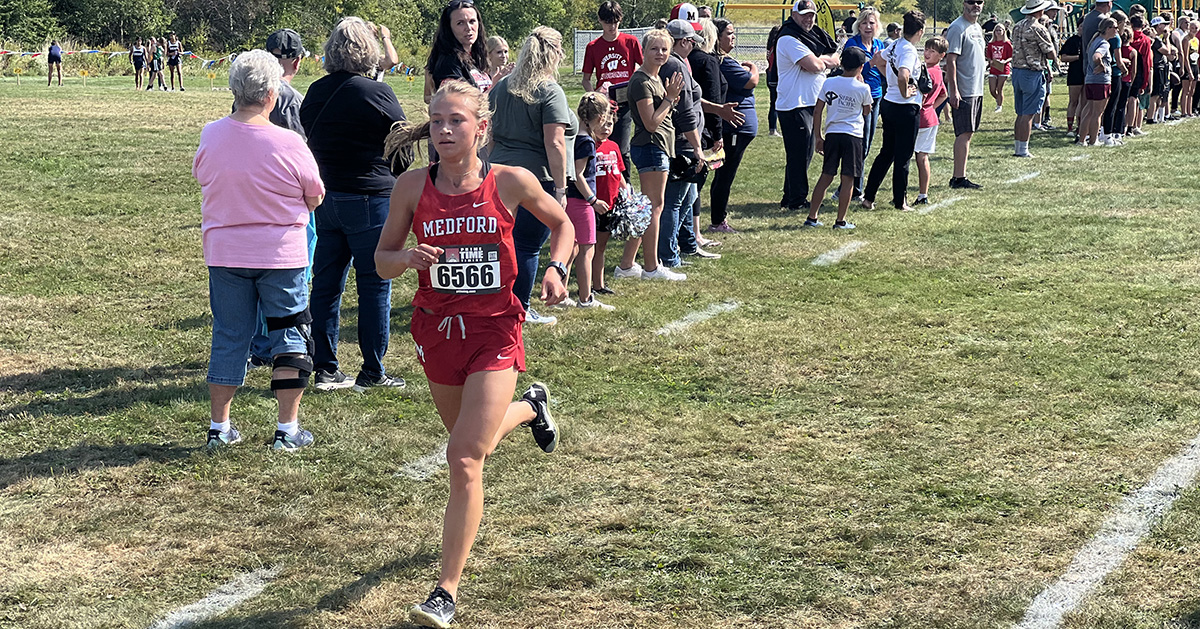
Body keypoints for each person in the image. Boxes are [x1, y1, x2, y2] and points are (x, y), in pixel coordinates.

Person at [374, 79, 572, 629]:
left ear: (481, 128)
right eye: (436, 120)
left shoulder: (509, 180)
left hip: (494, 331)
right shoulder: (412, 186)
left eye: (455, 120)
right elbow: (381, 261)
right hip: (438, 332)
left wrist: (557, 268)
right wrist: (407, 259)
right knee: (472, 442)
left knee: (463, 457)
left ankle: (445, 592)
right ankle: (531, 407)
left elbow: (562, 223)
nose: (443, 130)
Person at [192, 50, 325, 453]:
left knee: (229, 336)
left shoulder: (211, 134)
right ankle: (287, 428)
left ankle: (219, 427)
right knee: (290, 334)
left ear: (234, 90)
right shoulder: (290, 142)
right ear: (272, 94)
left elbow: (202, 175)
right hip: (281, 256)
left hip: (226, 253)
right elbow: (315, 194)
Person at [300, 16, 411, 392]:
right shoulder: (377, 92)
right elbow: (402, 147)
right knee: (375, 284)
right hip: (369, 195)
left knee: (325, 285)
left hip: (326, 197)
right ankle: (373, 370)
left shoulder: (315, 91)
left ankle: (325, 366)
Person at [489, 26, 581, 320]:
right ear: (554, 55)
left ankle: (498, 304)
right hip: (535, 178)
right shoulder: (549, 91)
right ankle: (520, 308)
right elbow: (554, 142)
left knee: (502, 244)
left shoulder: (502, 87)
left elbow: (489, 136)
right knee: (527, 246)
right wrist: (561, 189)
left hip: (497, 174)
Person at [242, 28, 316, 368]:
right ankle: (280, 342)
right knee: (292, 274)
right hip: (288, 200)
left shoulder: (245, 95)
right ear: (297, 62)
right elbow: (301, 153)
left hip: (251, 193)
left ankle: (258, 341)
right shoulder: (293, 99)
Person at [619, 28, 685, 281]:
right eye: (654, 48)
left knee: (647, 208)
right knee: (654, 207)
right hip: (650, 146)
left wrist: (669, 99)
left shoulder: (655, 78)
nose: (660, 53)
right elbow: (650, 123)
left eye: (664, 49)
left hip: (659, 147)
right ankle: (651, 267)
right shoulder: (641, 81)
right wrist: (669, 100)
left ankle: (627, 264)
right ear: (643, 51)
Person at [657, 20, 713, 269]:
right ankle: (668, 255)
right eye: (691, 42)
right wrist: (697, 147)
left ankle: (682, 246)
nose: (693, 47)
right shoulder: (675, 65)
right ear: (683, 42)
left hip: (683, 140)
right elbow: (685, 111)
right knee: (674, 201)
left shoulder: (676, 63)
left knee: (688, 197)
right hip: (682, 143)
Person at [776, 0, 839, 212]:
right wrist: (819, 62)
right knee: (800, 155)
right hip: (795, 104)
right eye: (803, 14)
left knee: (803, 153)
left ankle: (790, 196)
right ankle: (797, 200)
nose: (808, 19)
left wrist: (819, 61)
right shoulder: (788, 37)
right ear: (793, 15)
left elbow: (834, 57)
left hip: (808, 102)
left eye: (811, 14)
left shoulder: (816, 35)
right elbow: (815, 65)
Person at [862, 10, 925, 212]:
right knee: (903, 156)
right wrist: (905, 92)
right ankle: (900, 201)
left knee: (886, 153)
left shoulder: (895, 44)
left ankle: (868, 197)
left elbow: (877, 59)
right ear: (921, 31)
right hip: (905, 108)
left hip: (888, 103)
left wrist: (889, 80)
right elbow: (903, 75)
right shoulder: (909, 50)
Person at [806, 47, 872, 230]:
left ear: (841, 63)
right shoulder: (863, 88)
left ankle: (812, 217)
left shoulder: (829, 82)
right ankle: (840, 220)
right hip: (853, 136)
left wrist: (818, 136)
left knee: (826, 175)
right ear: (861, 67)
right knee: (848, 179)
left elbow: (818, 110)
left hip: (833, 134)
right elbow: (867, 111)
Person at [565, 92, 617, 310]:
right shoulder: (586, 141)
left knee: (571, 248)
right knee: (587, 249)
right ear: (600, 117)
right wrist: (592, 199)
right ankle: (586, 298)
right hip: (581, 201)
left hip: (570, 200)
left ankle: (561, 293)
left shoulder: (574, 135)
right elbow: (578, 174)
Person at [582, 1, 643, 182]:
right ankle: (599, 182)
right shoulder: (593, 47)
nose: (612, 26)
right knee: (599, 145)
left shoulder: (630, 42)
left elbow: (644, 69)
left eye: (615, 22)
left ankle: (625, 187)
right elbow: (586, 79)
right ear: (600, 21)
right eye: (608, 22)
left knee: (622, 148)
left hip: (624, 103)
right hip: (603, 105)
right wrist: (595, 95)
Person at [708, 17, 758, 234]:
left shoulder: (725, 60)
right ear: (716, 37)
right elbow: (750, 81)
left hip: (738, 129)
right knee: (724, 174)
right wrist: (754, 68)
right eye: (728, 33)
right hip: (732, 129)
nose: (733, 37)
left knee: (725, 173)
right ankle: (718, 221)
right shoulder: (722, 62)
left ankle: (718, 219)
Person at [842, 8, 885, 201]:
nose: (868, 27)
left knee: (866, 144)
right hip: (858, 98)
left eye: (872, 23)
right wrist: (871, 63)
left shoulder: (879, 44)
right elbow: (852, 71)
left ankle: (847, 187)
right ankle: (854, 189)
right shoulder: (853, 44)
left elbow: (884, 70)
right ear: (858, 25)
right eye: (864, 23)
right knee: (860, 144)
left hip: (876, 95)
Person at [589, 101, 631, 296]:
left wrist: (626, 191)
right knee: (587, 247)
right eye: (602, 124)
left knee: (601, 246)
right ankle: (585, 283)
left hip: (610, 205)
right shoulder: (589, 145)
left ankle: (598, 284)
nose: (606, 128)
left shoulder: (613, 146)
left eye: (610, 124)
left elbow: (618, 172)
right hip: (592, 204)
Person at [944, 0, 986, 190]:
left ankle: (960, 174)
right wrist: (954, 90)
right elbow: (951, 60)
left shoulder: (976, 27)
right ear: (964, 3)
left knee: (969, 132)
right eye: (971, 1)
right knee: (964, 132)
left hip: (976, 88)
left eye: (979, 1)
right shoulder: (957, 27)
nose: (975, 5)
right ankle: (958, 177)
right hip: (964, 89)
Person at [1010, 0, 1058, 158]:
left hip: (1017, 71)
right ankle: (1023, 149)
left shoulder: (1017, 26)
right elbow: (1049, 52)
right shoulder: (1039, 28)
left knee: (1020, 113)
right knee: (1029, 113)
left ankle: (1018, 147)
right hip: (1032, 72)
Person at [425, 0, 493, 103]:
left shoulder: (477, 56)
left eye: (472, 21)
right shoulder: (448, 61)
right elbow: (461, 102)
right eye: (460, 23)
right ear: (449, 28)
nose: (468, 28)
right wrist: (496, 85)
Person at [914, 37, 948, 206]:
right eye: (926, 49)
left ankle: (922, 194)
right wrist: (931, 107)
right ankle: (922, 194)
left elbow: (921, 96)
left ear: (941, 55)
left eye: (932, 51)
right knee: (921, 156)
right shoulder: (937, 71)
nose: (927, 53)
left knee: (920, 157)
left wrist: (926, 107)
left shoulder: (929, 73)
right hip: (930, 117)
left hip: (922, 120)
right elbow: (944, 94)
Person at [1080, 17, 1119, 146]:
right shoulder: (1104, 43)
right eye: (1115, 28)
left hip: (1090, 80)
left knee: (1089, 111)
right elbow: (1096, 56)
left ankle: (1082, 140)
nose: (1117, 30)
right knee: (1097, 113)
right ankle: (1093, 140)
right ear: (1108, 29)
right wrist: (1102, 65)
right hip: (1100, 81)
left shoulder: (1095, 40)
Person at [1059, 27, 1085, 136]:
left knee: (1084, 102)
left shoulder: (1089, 39)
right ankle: (1070, 127)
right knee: (1073, 101)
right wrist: (1078, 57)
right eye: (1082, 26)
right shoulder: (1072, 40)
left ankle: (1080, 127)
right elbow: (1063, 57)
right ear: (1079, 27)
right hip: (1075, 73)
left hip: (1087, 73)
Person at [988, 25, 1012, 111]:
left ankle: (999, 106)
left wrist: (1005, 61)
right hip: (993, 68)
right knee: (992, 90)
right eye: (996, 30)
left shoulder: (1007, 43)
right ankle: (998, 99)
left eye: (1000, 30)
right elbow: (989, 56)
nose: (998, 32)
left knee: (999, 88)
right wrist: (990, 61)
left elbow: (1011, 56)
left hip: (1003, 69)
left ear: (1004, 31)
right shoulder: (991, 44)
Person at [765, 24, 782, 137]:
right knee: (776, 104)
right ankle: (773, 129)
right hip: (775, 76)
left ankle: (773, 128)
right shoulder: (777, 47)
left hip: (770, 75)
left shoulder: (770, 48)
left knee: (773, 103)